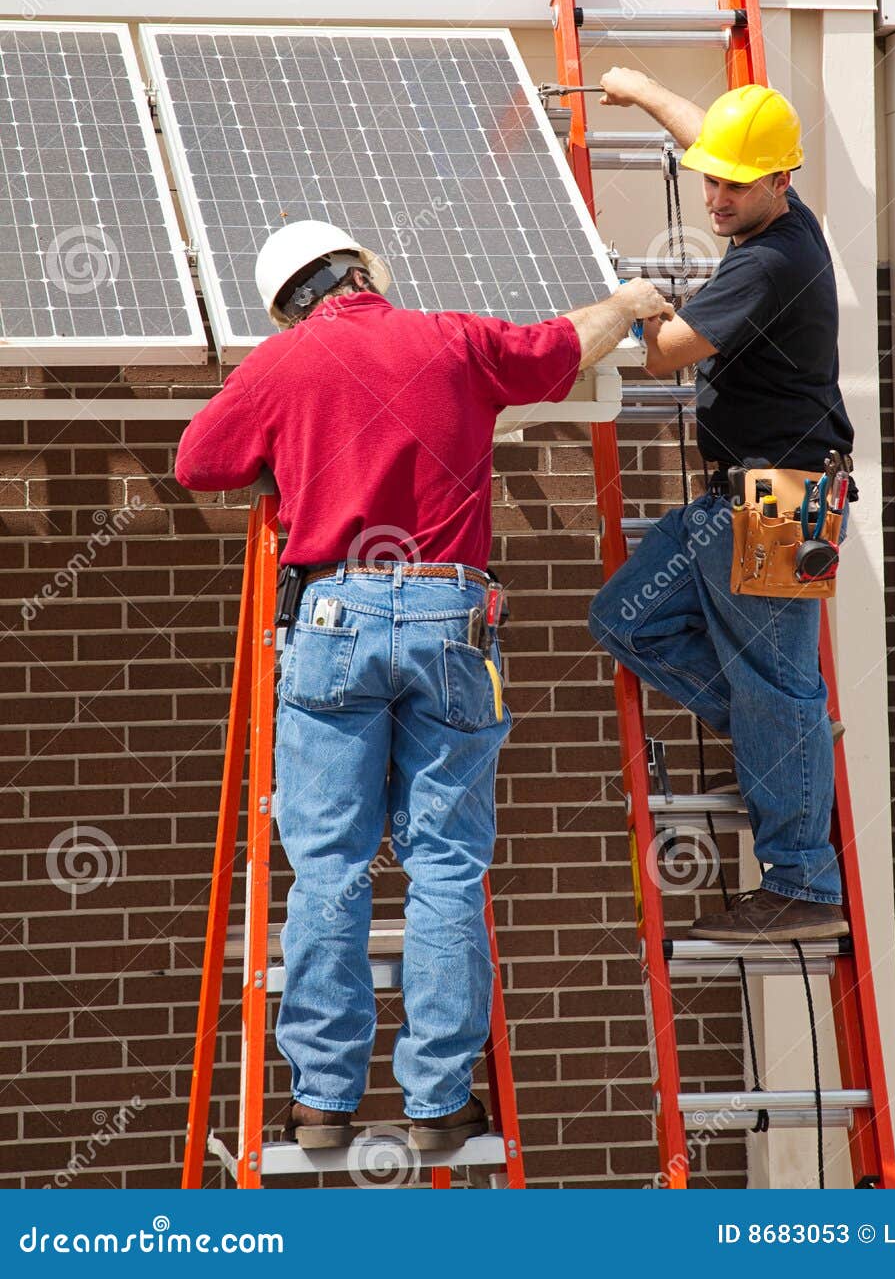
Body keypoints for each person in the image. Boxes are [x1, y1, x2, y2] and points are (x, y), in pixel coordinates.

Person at [175, 218, 670, 1151]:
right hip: (451, 617)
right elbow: (560, 344)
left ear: (288, 303)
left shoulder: (284, 364)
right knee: (446, 866)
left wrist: (298, 444)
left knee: (328, 869)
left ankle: (322, 1101)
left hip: (332, 620)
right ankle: (439, 1101)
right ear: (363, 271)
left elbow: (200, 462)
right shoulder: (453, 339)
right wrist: (632, 302)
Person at [588, 70, 855, 945]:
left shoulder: (771, 260)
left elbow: (665, 353)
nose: (714, 196)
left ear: (779, 180)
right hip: (738, 497)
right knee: (626, 617)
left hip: (783, 499)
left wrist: (631, 303)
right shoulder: (781, 206)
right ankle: (786, 735)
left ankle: (802, 884)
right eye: (709, 178)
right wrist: (638, 87)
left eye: (733, 184)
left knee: (777, 685)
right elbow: (711, 130)